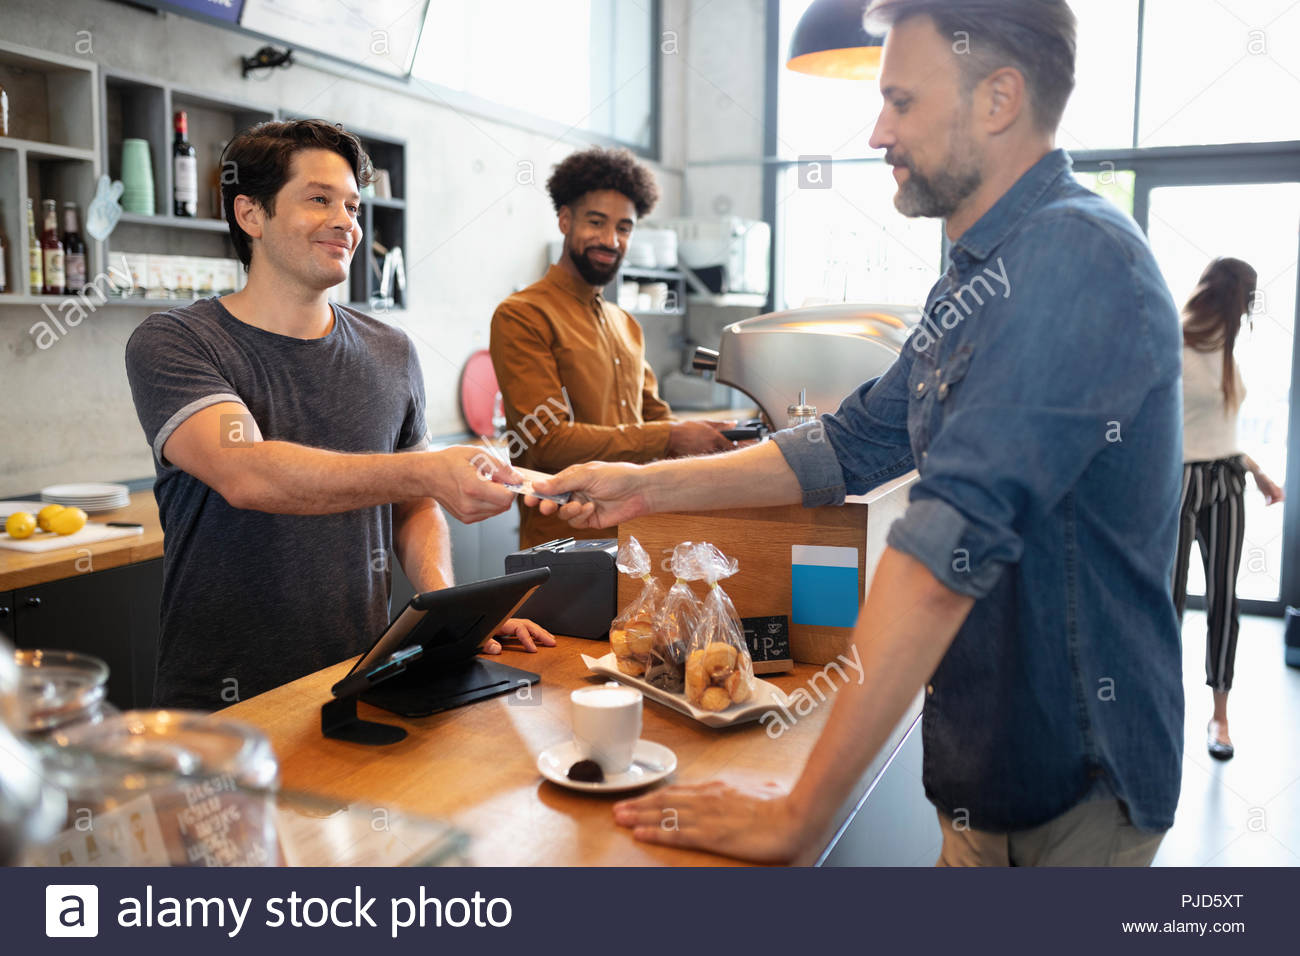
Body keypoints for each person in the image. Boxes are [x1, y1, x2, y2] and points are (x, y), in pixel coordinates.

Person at [528, 0, 1186, 866]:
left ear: (998, 99)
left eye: (902, 102)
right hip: (981, 776)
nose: (877, 131)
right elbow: (847, 446)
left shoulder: (1072, 257)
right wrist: (640, 486)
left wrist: (803, 810)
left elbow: (946, 545)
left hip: (1073, 788)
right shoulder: (977, 276)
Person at [125, 119, 553, 711]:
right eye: (318, 199)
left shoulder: (391, 350)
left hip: (358, 677)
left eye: (352, 205)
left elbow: (412, 506)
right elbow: (248, 473)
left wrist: (453, 613)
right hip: (223, 700)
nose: (346, 222)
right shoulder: (176, 341)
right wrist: (428, 471)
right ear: (250, 214)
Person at [490, 146, 736, 549]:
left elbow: (657, 419)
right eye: (597, 222)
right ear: (565, 220)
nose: (611, 239)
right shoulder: (522, 314)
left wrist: (716, 444)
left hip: (637, 539)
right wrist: (671, 436)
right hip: (564, 548)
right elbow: (547, 440)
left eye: (624, 228)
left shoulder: (627, 325)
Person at [1171, 257, 1284, 761]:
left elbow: (1221, 432)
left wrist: (1257, 471)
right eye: (1246, 303)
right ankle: (1162, 708)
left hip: (1227, 481)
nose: (1248, 314)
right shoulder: (1172, 344)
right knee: (1167, 602)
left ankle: (1220, 715)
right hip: (1180, 482)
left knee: (1223, 600)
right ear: (1229, 298)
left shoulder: (1229, 349)